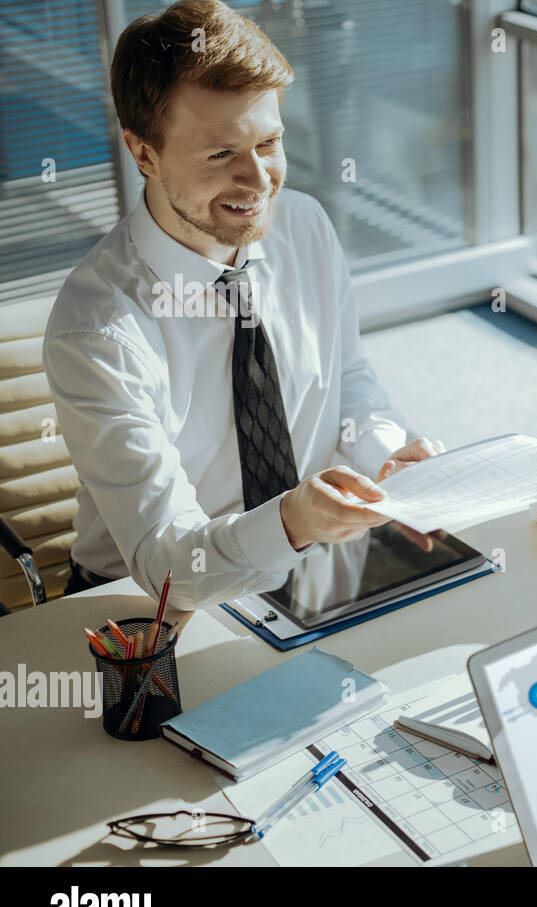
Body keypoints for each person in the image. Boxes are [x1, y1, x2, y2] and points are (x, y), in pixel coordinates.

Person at [43, 0, 438, 609]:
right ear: (143, 152)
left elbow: (347, 376)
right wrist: (290, 524)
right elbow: (168, 561)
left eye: (269, 142)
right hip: (140, 613)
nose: (259, 181)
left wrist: (384, 456)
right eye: (220, 154)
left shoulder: (303, 226)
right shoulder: (97, 328)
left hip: (308, 565)